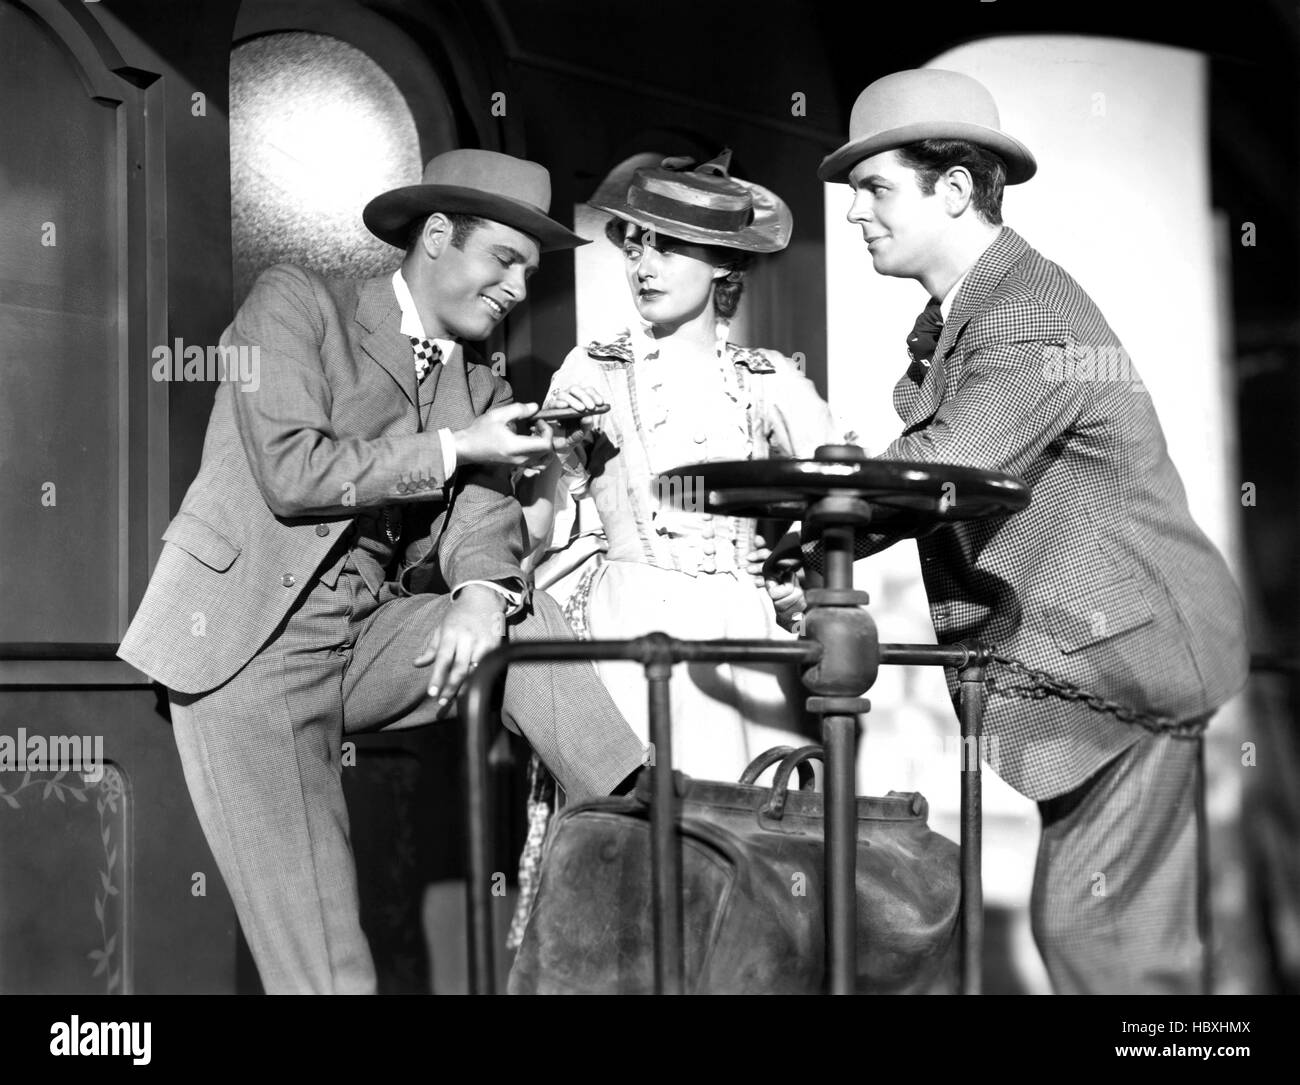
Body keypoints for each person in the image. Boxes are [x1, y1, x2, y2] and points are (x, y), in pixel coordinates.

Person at [117, 150, 646, 994]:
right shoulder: (294, 302)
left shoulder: (483, 375)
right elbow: (294, 471)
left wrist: (480, 590)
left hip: (363, 640)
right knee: (330, 975)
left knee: (520, 611)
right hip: (247, 653)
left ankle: (641, 816)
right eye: (503, 260)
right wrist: (455, 446)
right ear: (437, 236)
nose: (516, 288)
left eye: (528, 272)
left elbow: (482, 520)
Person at [817, 69, 1250, 993]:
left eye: (876, 187)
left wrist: (806, 520)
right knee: (1098, 938)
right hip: (1101, 668)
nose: (855, 212)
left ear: (957, 188)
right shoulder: (975, 313)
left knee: (1109, 948)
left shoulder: (1026, 315)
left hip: (1132, 667)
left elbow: (941, 469)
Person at [519, 152, 845, 782]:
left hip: (739, 627)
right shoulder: (595, 367)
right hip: (632, 620)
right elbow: (536, 511)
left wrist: (789, 565)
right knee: (641, 821)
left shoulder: (767, 377)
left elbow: (840, 488)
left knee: (744, 819)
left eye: (668, 249)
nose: (644, 267)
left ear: (723, 260)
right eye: (636, 248)